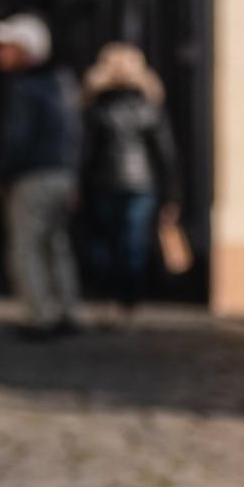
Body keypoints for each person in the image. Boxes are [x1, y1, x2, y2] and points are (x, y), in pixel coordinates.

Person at [0, 13, 83, 337]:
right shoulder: (64, 82)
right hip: (62, 173)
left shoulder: (24, 88)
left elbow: (16, 137)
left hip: (32, 175)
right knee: (58, 244)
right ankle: (67, 310)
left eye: (5, 47)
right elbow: (77, 133)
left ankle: (39, 315)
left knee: (28, 247)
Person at [79, 42, 179, 319]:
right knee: (132, 243)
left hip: (104, 181)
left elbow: (87, 151)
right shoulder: (149, 105)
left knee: (106, 241)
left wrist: (80, 183)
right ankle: (129, 299)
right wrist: (172, 192)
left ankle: (108, 295)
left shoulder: (96, 106)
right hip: (142, 182)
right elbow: (165, 153)